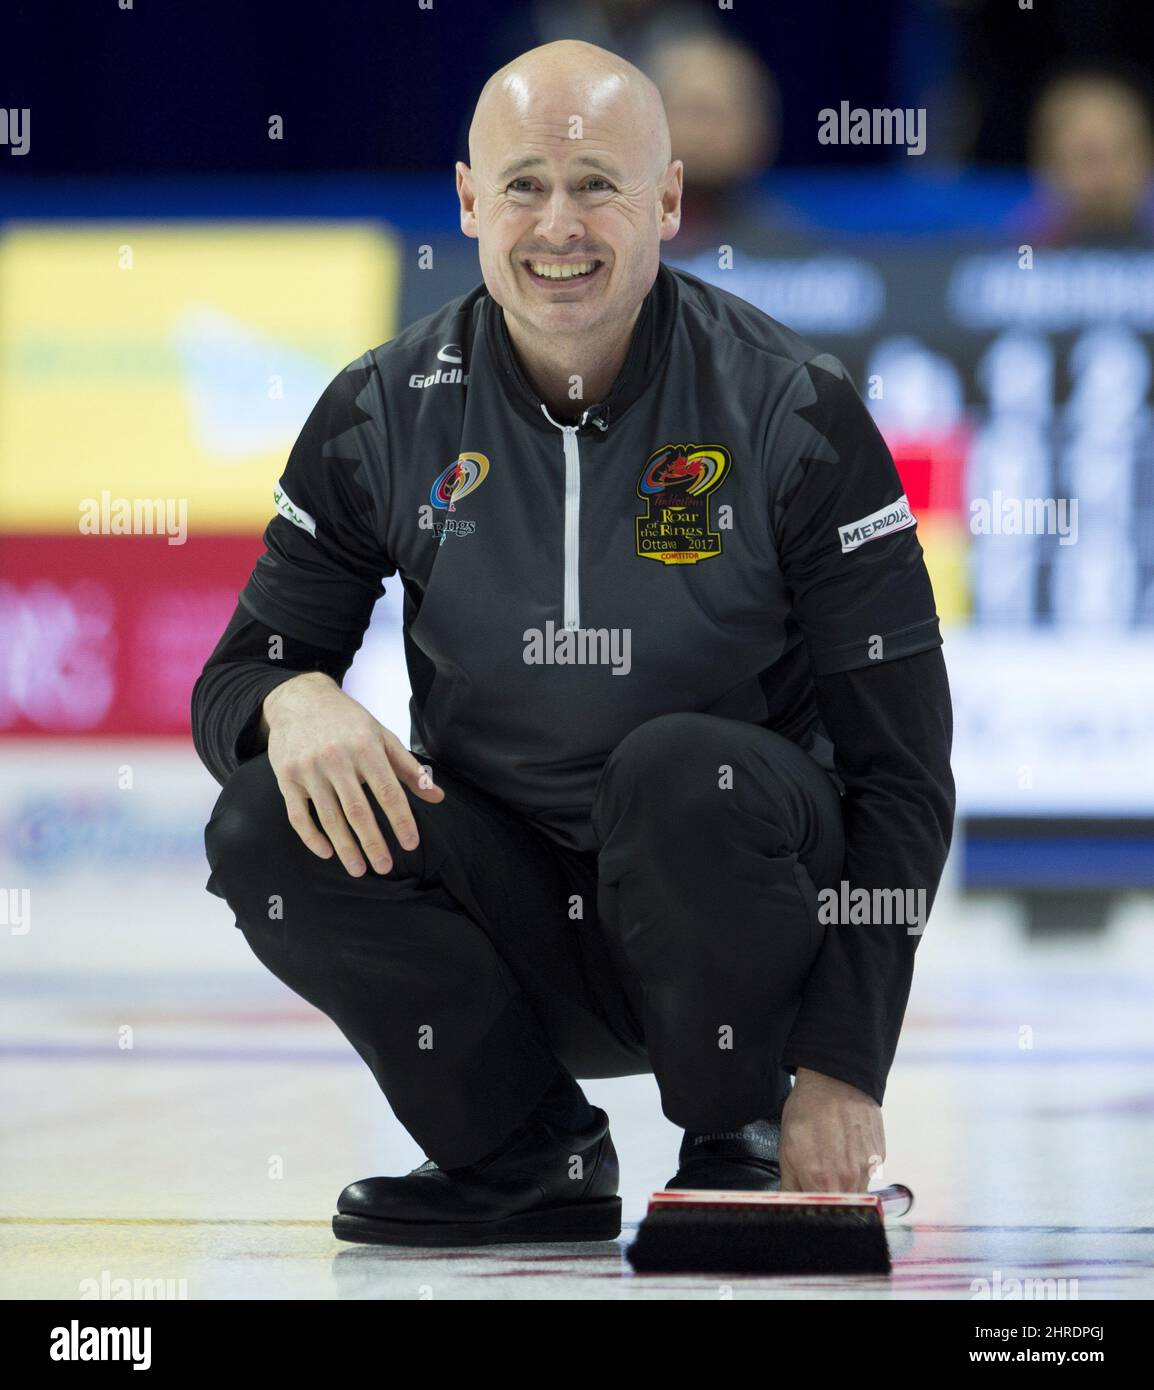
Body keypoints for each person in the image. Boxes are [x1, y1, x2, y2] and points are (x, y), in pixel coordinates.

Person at [193, 39, 955, 1248]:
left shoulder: (789, 408)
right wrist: (293, 700)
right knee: (259, 817)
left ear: (665, 201)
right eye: (524, 185)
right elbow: (236, 674)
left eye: (597, 183)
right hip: (517, 919)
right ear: (466, 202)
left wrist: (841, 1067)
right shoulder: (381, 409)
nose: (559, 224)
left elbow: (904, 774)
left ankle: (734, 1143)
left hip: (738, 908)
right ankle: (521, 1153)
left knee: (675, 769)